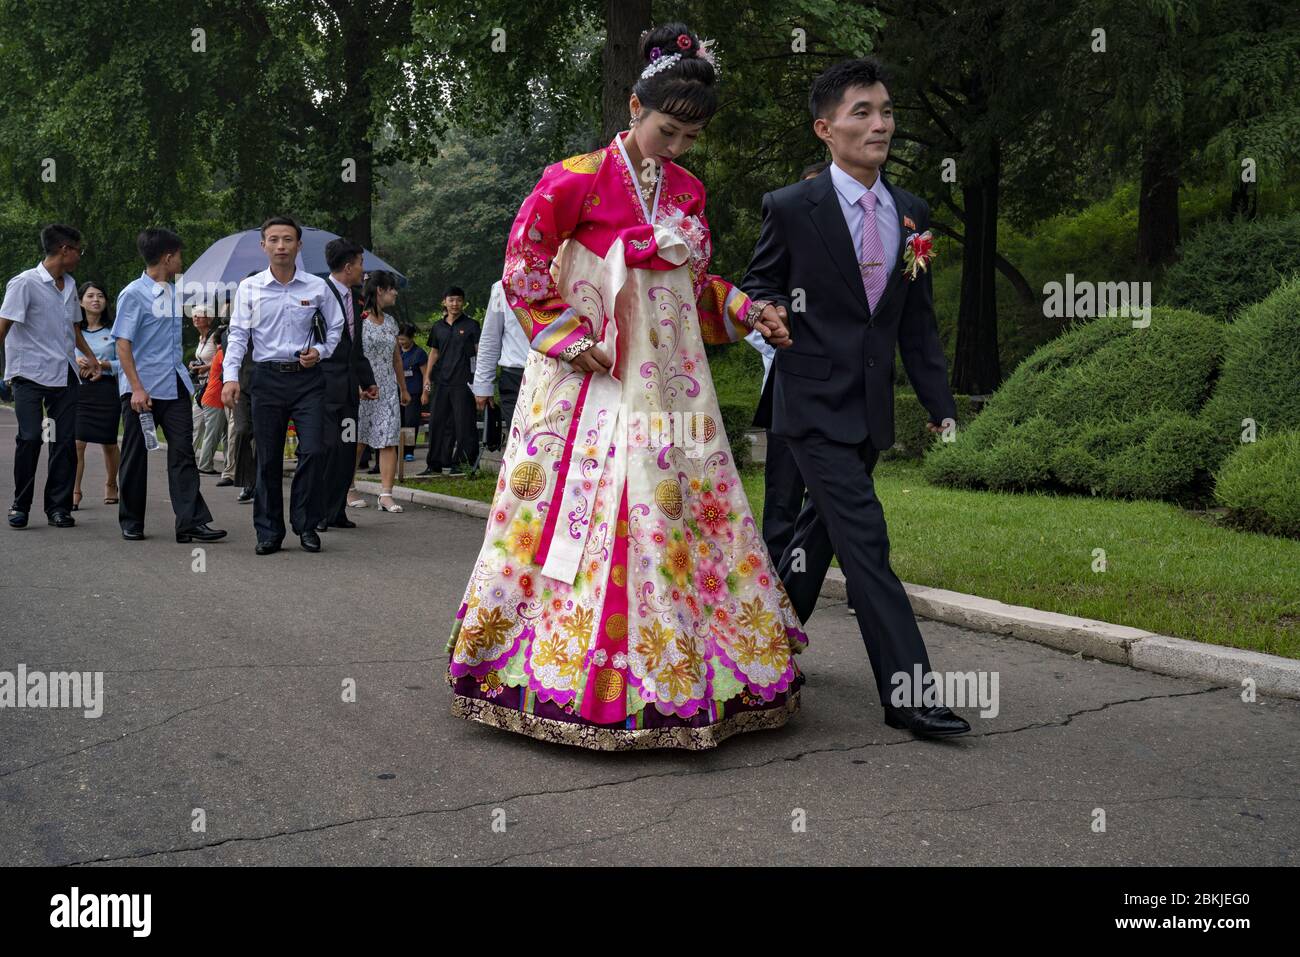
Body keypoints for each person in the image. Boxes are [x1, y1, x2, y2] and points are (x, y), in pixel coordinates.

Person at [445, 22, 797, 751]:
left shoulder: (689, 194)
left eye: (691, 138)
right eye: (668, 130)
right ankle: (548, 673)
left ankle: (682, 675)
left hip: (671, 390)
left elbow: (693, 289)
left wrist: (746, 310)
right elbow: (523, 269)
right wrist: (576, 340)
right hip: (589, 383)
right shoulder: (572, 177)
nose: (677, 148)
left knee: (673, 515)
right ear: (635, 107)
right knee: (579, 514)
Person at [742, 58, 968, 738]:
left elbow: (916, 323)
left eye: (887, 111)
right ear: (825, 128)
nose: (880, 124)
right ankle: (910, 692)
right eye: (863, 112)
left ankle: (763, 649)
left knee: (819, 533)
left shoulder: (912, 213)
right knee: (866, 540)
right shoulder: (791, 207)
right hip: (808, 402)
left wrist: (940, 402)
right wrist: (768, 310)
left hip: (868, 406)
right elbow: (759, 283)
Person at [221, 215, 344, 555]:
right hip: (266, 379)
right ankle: (269, 531)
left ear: (298, 245)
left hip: (308, 380)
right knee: (268, 458)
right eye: (273, 240)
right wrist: (230, 377)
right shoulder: (250, 287)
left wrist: (319, 351)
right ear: (264, 246)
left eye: (287, 239)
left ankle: (306, 524)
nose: (280, 246)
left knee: (315, 450)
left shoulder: (317, 287)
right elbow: (237, 336)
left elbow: (337, 327)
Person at [112, 228, 226, 543]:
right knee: (136, 455)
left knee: (183, 454)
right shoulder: (133, 293)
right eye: (179, 255)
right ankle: (132, 520)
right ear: (167, 257)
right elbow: (122, 344)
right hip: (142, 391)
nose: (182, 261)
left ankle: (190, 521)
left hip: (174, 386)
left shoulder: (174, 293)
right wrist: (135, 388)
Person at [747, 160, 827, 566]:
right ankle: (777, 575)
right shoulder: (783, 249)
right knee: (783, 487)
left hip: (842, 389)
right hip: (789, 385)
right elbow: (752, 303)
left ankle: (853, 574)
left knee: (838, 493)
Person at [1, 224, 106, 529]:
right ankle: (20, 505)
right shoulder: (24, 283)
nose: (79, 256)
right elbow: (3, 326)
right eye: (78, 250)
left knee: (62, 443)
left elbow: (73, 329)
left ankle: (58, 508)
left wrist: (90, 356)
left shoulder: (70, 285)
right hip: (29, 374)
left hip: (65, 373)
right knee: (31, 437)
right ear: (64, 249)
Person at [318, 237, 377, 530]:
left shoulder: (356, 298)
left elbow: (355, 347)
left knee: (345, 448)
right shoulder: (319, 294)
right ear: (347, 266)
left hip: (349, 389)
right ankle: (317, 511)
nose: (363, 270)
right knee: (326, 450)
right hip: (324, 388)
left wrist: (368, 381)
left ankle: (336, 510)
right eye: (361, 263)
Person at [353, 271, 409, 513]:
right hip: (363, 388)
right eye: (391, 288)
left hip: (387, 388)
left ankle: (386, 494)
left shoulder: (390, 322)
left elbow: (396, 358)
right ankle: (347, 487)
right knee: (359, 440)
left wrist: (403, 389)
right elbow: (352, 356)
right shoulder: (359, 320)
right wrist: (357, 386)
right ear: (379, 291)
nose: (395, 292)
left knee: (388, 439)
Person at [419, 286, 479, 476]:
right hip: (441, 382)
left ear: (463, 302)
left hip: (464, 382)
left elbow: (479, 353)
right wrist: (427, 377)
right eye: (451, 300)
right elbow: (434, 353)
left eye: (459, 300)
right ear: (444, 302)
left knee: (464, 424)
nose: (455, 304)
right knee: (437, 422)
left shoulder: (472, 325)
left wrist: (481, 382)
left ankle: (462, 463)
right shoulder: (438, 327)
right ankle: (435, 464)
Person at [73, 281, 121, 510]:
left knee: (109, 443)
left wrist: (102, 364)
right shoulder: (72, 331)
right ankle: (74, 490)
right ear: (80, 301)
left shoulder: (114, 330)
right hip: (79, 391)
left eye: (100, 295)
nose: (96, 300)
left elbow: (126, 362)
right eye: (90, 296)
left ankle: (111, 483)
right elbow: (60, 355)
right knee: (77, 442)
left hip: (106, 390)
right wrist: (75, 361)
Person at [471, 278, 528, 448]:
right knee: (520, 443)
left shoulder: (571, 278)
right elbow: (490, 338)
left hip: (561, 375)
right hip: (516, 376)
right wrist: (482, 384)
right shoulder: (504, 287)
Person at [189, 305, 220, 473]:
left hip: (212, 385)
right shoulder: (201, 338)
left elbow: (220, 358)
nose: (196, 318)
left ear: (209, 319)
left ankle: (205, 464)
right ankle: (186, 460)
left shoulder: (216, 336)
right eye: (194, 316)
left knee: (210, 427)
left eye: (200, 315)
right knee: (195, 425)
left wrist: (206, 367)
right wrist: (194, 365)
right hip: (201, 386)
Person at [195, 332, 227, 474]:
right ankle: (205, 466)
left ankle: (228, 465)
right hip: (214, 399)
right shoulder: (222, 354)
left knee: (223, 434)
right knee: (212, 435)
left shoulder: (219, 353)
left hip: (214, 398)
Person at [397, 323, 427, 462]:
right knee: (398, 422)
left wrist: (425, 393)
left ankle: (409, 450)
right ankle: (398, 449)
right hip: (397, 393)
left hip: (414, 393)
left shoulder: (419, 353)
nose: (401, 342)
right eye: (399, 339)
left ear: (411, 338)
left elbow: (426, 375)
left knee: (410, 422)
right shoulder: (397, 352)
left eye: (404, 339)